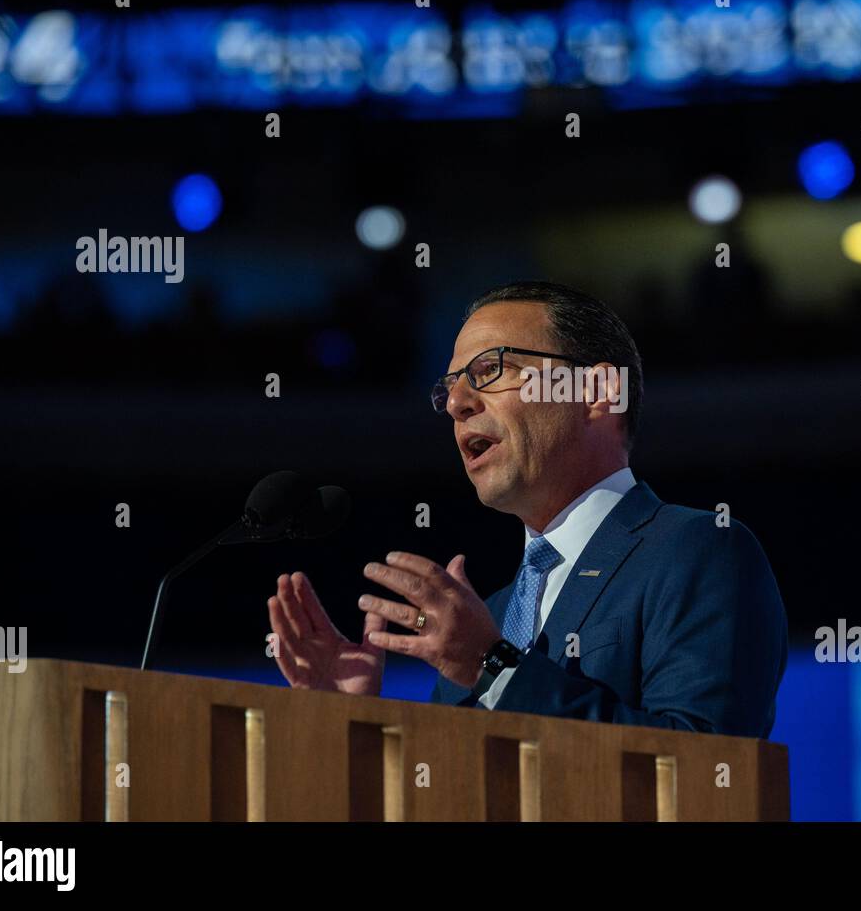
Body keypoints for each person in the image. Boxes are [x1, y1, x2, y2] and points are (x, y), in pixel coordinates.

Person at [267, 281, 787, 738]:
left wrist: (494, 667)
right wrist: (352, 728)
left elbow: (707, 768)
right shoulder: (483, 619)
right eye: (448, 388)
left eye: (490, 369)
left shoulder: (697, 550)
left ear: (598, 392)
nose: (456, 403)